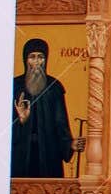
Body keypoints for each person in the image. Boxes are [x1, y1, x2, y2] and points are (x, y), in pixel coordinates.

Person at [12, 37, 85, 178]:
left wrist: (69, 145)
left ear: (46, 59)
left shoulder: (54, 87)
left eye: (41, 57)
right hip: (21, 154)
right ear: (25, 59)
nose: (36, 62)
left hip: (48, 152)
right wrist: (20, 121)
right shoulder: (15, 87)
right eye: (32, 57)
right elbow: (2, 130)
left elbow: (61, 123)